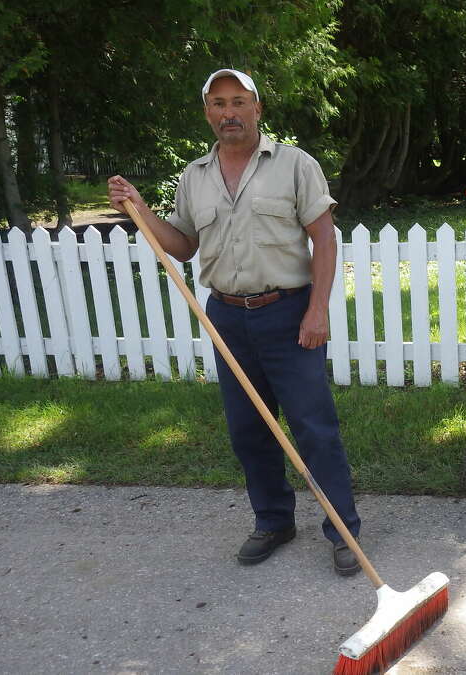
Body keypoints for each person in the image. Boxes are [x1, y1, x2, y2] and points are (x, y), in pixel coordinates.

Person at [107, 68, 361, 576]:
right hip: (227, 315)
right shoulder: (194, 176)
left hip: (289, 313)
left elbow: (324, 238)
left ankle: (343, 531)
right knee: (248, 430)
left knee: (314, 428)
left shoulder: (294, 165)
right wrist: (139, 209)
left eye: (239, 102)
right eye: (219, 103)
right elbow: (183, 245)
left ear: (257, 108)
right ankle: (274, 521)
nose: (230, 113)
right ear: (208, 113)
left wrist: (317, 310)